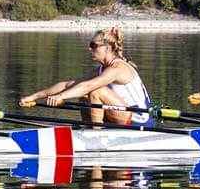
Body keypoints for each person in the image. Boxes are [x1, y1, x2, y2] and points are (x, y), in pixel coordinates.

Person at [19, 27, 154, 127]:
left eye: (93, 46)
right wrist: (34, 96)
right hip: (123, 115)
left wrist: (61, 97)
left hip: (140, 119)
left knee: (95, 91)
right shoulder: (101, 69)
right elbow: (68, 85)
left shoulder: (118, 68)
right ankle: (89, 129)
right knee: (82, 94)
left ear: (106, 48)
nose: (90, 49)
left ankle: (95, 135)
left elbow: (88, 86)